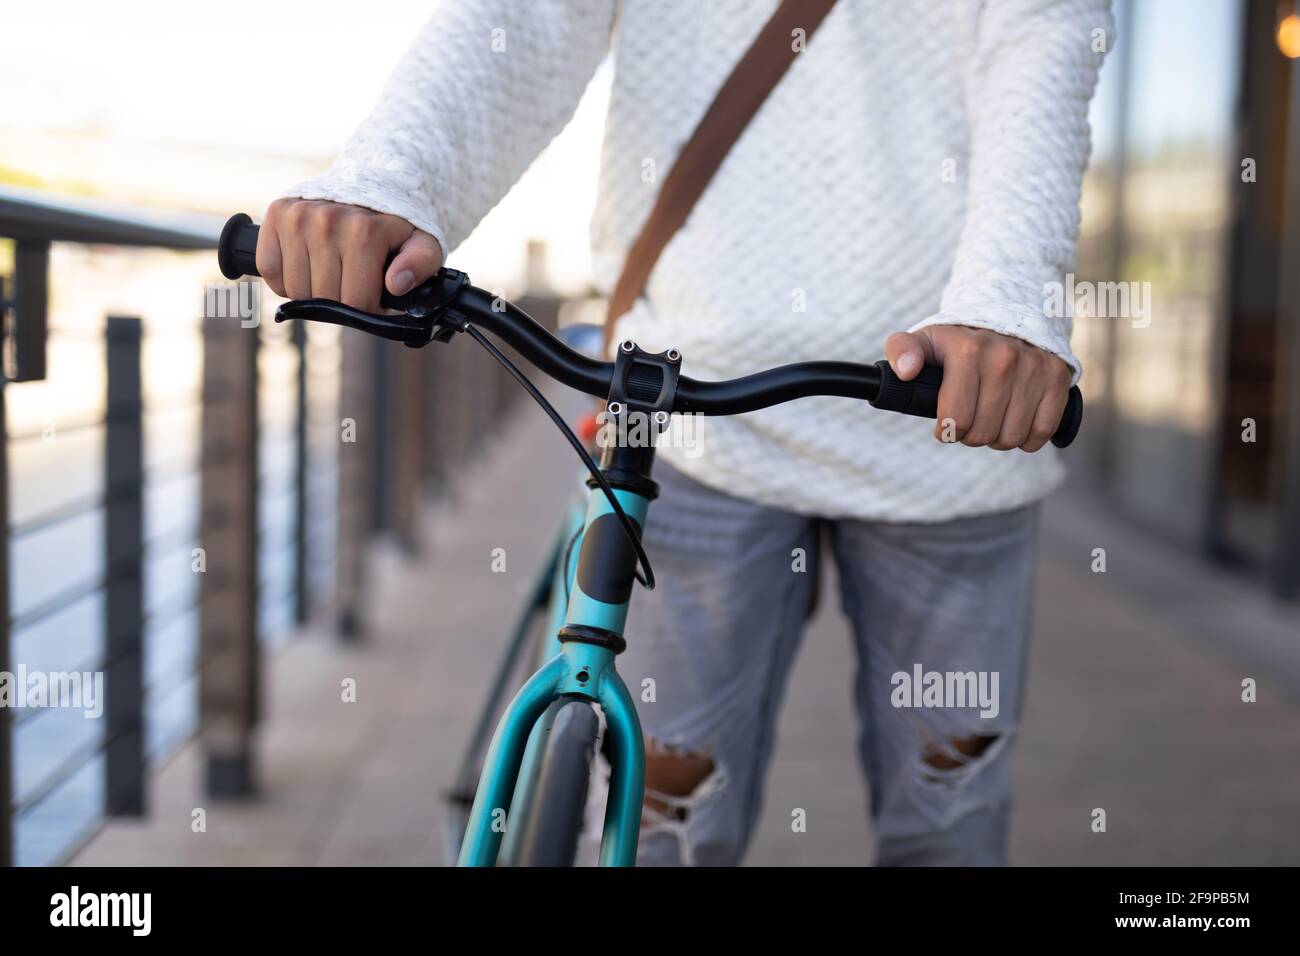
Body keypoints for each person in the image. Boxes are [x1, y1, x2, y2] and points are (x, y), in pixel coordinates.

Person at [259, 0, 1113, 865]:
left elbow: (1041, 32)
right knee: (666, 825)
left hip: (952, 419)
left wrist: (1008, 299)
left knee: (950, 824)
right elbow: (528, 17)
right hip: (692, 418)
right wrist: (391, 175)